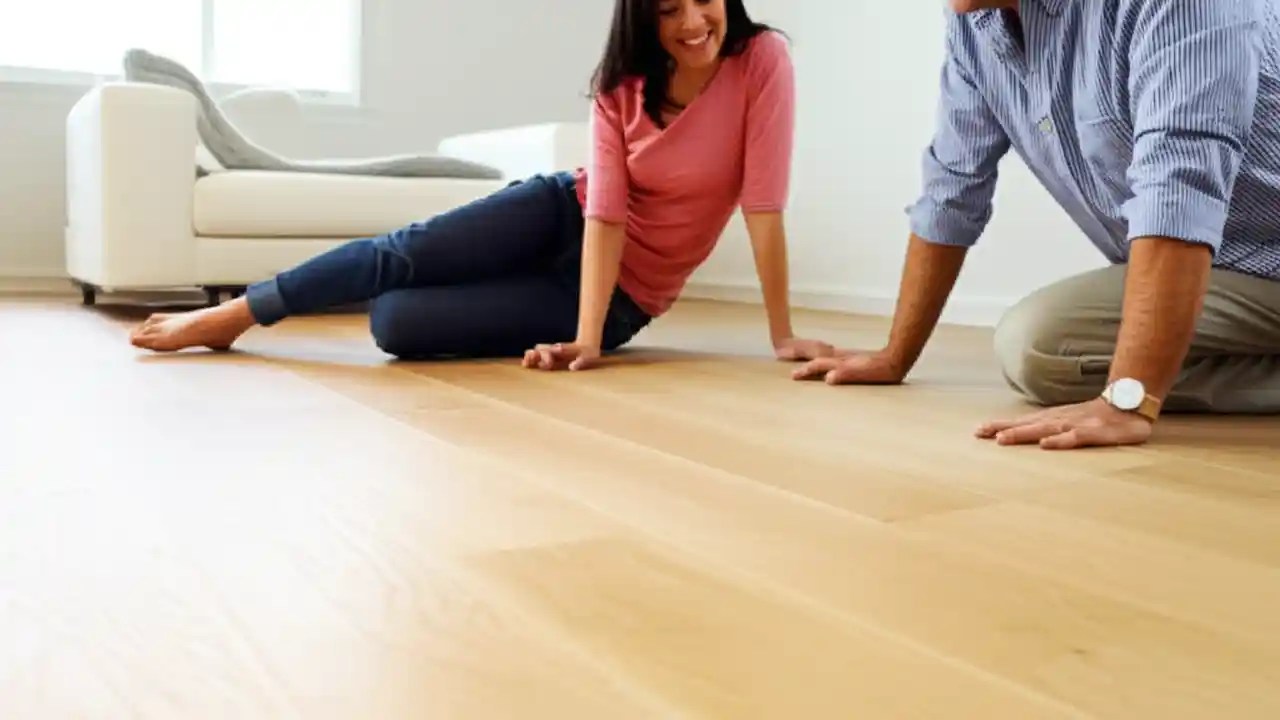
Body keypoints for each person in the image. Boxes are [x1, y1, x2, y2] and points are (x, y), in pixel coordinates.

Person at [130, 0, 838, 370]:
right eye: (667, 8)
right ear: (642, 16)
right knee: (399, 253)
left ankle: (341, 298)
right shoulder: (619, 86)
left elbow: (764, 203)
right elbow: (607, 215)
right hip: (565, 212)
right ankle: (236, 316)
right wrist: (584, 340)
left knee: (394, 322)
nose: (693, 23)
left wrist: (781, 335)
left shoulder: (762, 60)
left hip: (624, 295)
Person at [795, 0, 1280, 450]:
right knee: (1040, 351)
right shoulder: (976, 26)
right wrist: (893, 356)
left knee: (1077, 357)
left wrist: (1127, 402)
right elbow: (953, 186)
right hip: (1230, 276)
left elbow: (1178, 186)